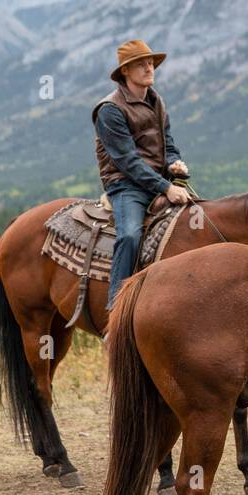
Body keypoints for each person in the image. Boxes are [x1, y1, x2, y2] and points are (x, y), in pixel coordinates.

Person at [92, 39, 192, 314]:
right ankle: (117, 308)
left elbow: (168, 144)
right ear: (126, 71)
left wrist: (173, 165)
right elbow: (128, 162)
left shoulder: (156, 100)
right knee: (130, 236)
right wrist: (165, 187)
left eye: (151, 63)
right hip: (126, 186)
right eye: (141, 64)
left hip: (158, 182)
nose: (150, 67)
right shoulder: (110, 109)